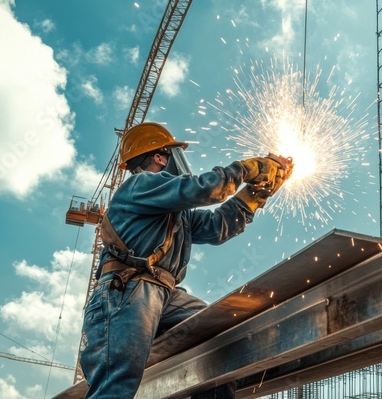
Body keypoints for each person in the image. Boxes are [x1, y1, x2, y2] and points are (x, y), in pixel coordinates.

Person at [79, 122, 291, 398]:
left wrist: (257, 192)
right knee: (116, 387)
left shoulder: (176, 212)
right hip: (126, 292)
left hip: (165, 294)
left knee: (215, 334)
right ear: (160, 156)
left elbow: (218, 227)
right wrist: (248, 168)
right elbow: (203, 189)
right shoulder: (141, 185)